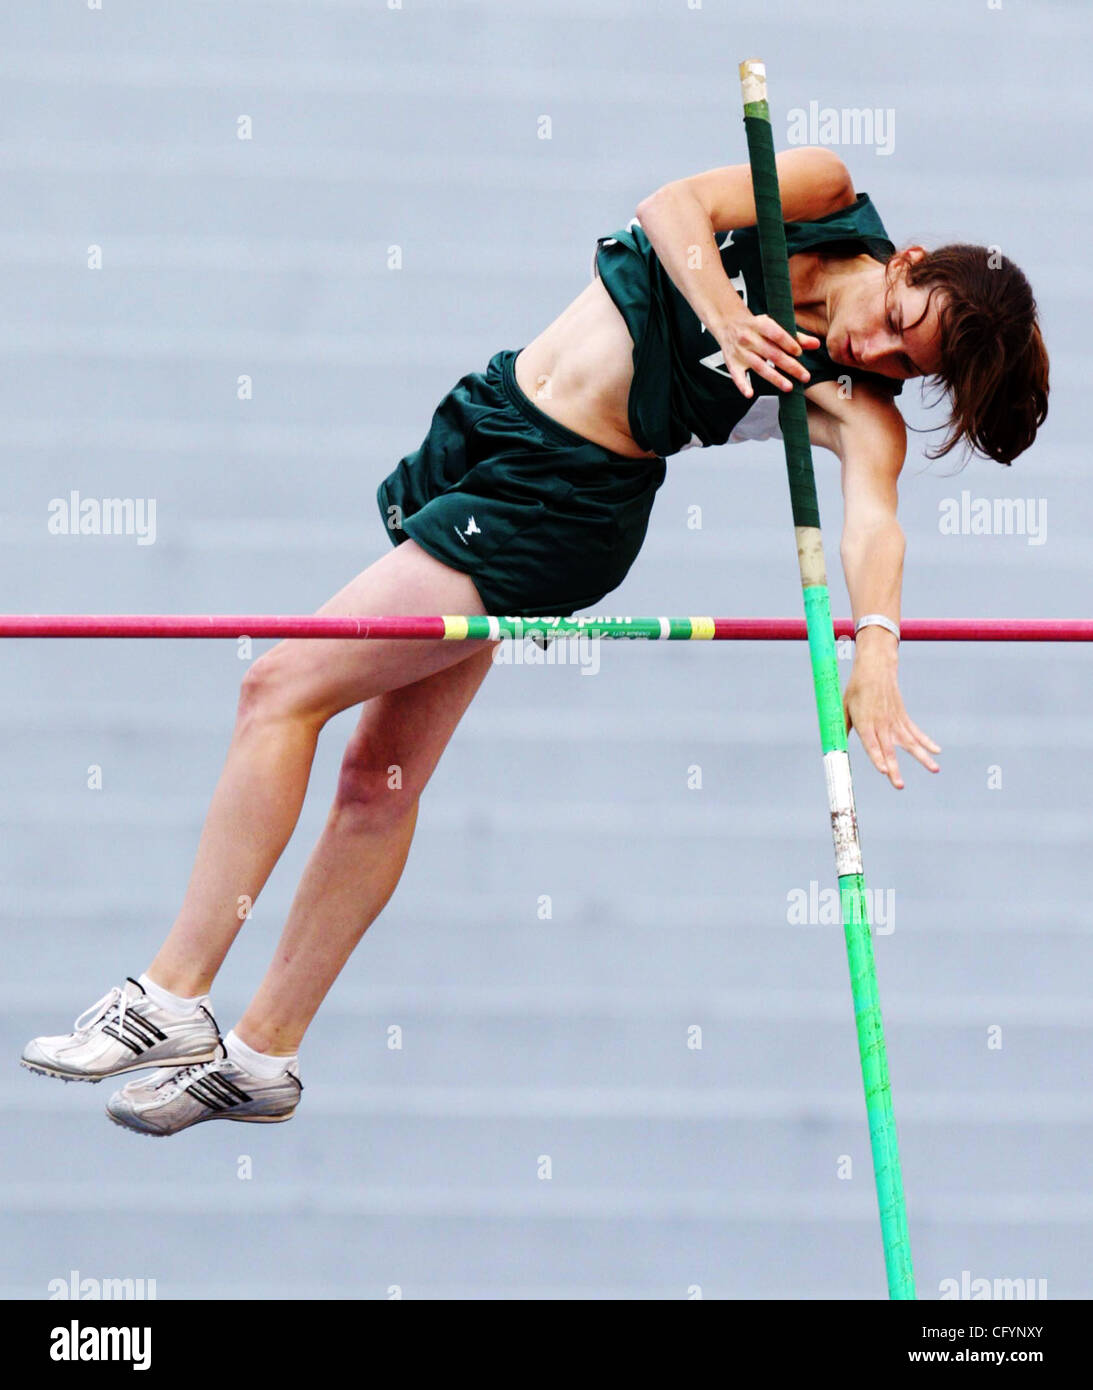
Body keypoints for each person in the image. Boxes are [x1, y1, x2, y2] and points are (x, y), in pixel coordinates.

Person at [20, 147, 1048, 1135]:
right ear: (906, 260)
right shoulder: (817, 189)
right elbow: (670, 206)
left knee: (279, 687)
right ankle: (260, 1057)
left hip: (556, 506)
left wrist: (876, 644)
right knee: (378, 777)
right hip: (492, 424)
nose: (869, 352)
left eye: (900, 364)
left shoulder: (854, 405)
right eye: (892, 323)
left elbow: (874, 520)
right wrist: (729, 317)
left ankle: (172, 991)